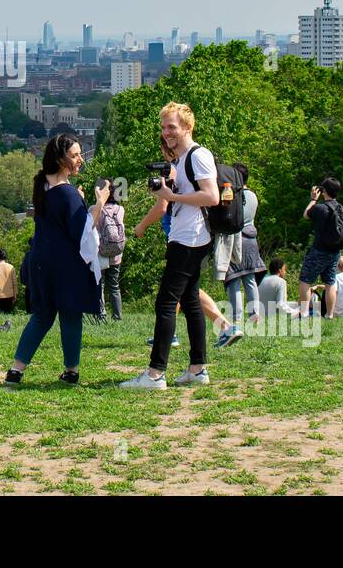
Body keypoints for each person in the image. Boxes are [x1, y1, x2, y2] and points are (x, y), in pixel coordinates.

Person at [121, 102, 219, 389]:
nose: (166, 133)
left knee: (166, 302)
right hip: (187, 236)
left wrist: (173, 197)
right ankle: (197, 369)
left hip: (188, 238)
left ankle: (155, 373)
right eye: (164, 128)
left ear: (187, 127)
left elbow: (211, 196)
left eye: (172, 127)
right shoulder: (181, 159)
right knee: (190, 302)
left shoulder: (198, 155)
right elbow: (183, 195)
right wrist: (167, 190)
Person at [6, 134, 104, 386]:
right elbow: (81, 232)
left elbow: (57, 216)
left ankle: (16, 370)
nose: (80, 159)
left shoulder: (43, 185)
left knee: (42, 316)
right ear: (61, 159)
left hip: (41, 261)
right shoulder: (68, 194)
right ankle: (71, 371)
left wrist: (79, 201)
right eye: (75, 155)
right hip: (65, 265)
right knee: (70, 315)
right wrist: (98, 205)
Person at [218, 162, 266, 345]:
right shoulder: (253, 195)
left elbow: (228, 216)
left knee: (233, 279)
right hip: (252, 238)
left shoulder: (233, 194)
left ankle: (236, 318)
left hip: (236, 240)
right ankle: (255, 315)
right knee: (250, 279)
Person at [300, 177, 343, 318]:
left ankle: (303, 313)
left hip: (319, 250)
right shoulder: (340, 208)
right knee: (330, 281)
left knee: (305, 280)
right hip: (335, 252)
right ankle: (330, 314)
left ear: (324, 191)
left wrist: (313, 199)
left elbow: (306, 215)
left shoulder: (320, 208)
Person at [95, 183, 126, 322]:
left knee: (99, 285)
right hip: (116, 253)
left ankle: (101, 316)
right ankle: (118, 317)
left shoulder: (95, 209)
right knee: (114, 285)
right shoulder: (120, 209)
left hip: (100, 252)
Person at [0, 249, 17, 319]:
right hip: (9, 295)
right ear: (5, 257)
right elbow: (14, 283)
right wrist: (15, 294)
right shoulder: (11, 267)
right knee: (7, 317)